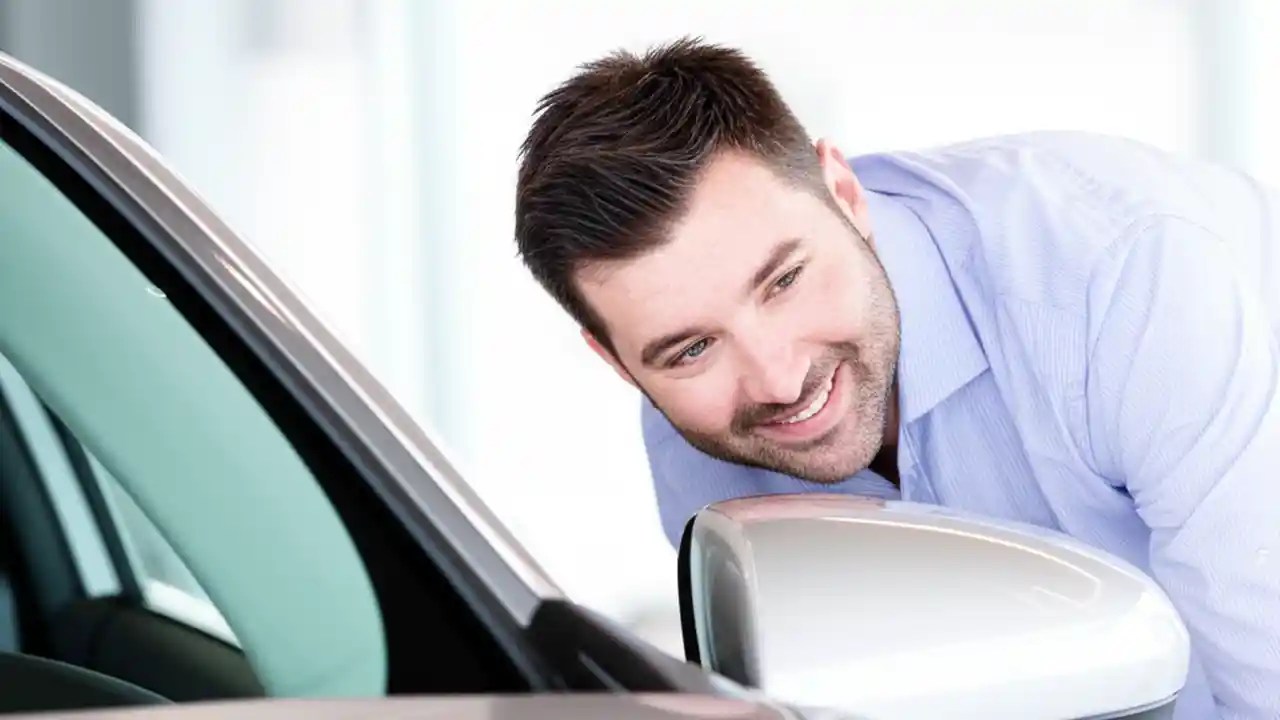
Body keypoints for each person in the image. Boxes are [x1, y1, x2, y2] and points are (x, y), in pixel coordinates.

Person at [512, 37, 1279, 718]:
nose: (778, 380)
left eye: (783, 282)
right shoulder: (699, 458)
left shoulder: (1126, 286)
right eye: (691, 350)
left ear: (845, 194)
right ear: (616, 362)